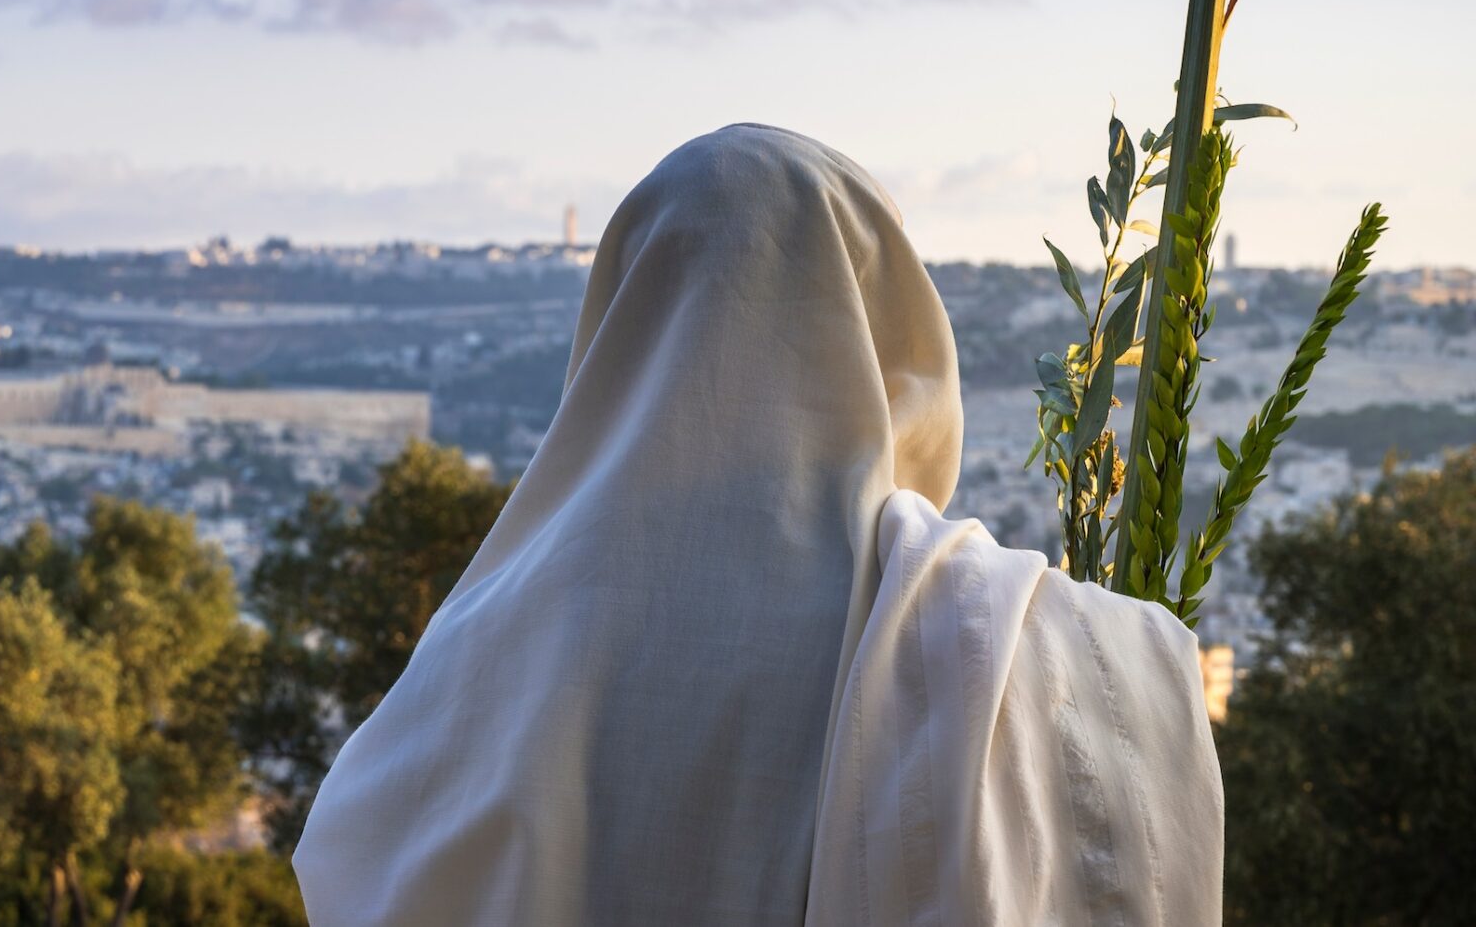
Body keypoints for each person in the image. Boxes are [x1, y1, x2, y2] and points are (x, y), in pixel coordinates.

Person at [292, 124, 1222, 926]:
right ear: (894, 329)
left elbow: (361, 858)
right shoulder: (1013, 638)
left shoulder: (487, 645)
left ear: (626, 316)